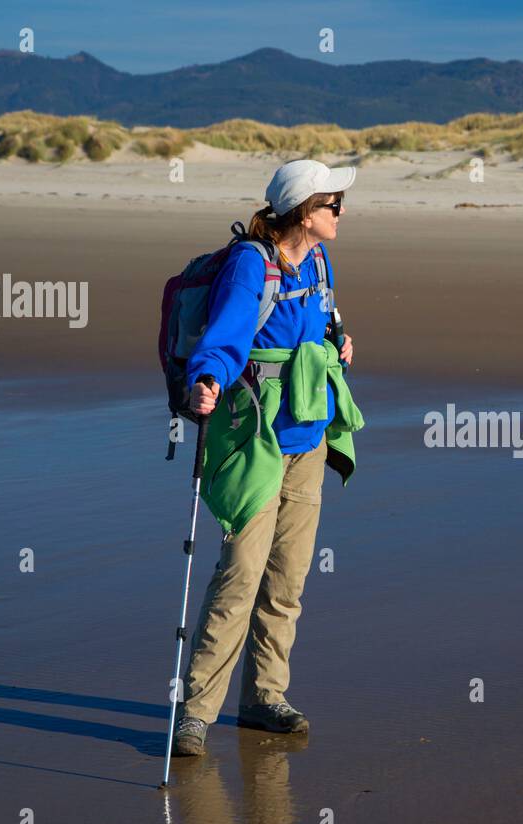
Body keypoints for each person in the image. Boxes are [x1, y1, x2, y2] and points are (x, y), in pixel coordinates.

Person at [172, 159, 365, 756]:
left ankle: (263, 699)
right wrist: (205, 379)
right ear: (306, 211)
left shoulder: (319, 261)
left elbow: (320, 324)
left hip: (308, 440)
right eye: (334, 203)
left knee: (287, 580)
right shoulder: (249, 264)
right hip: (255, 441)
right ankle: (197, 712)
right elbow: (226, 339)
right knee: (240, 575)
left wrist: (339, 342)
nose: (342, 212)